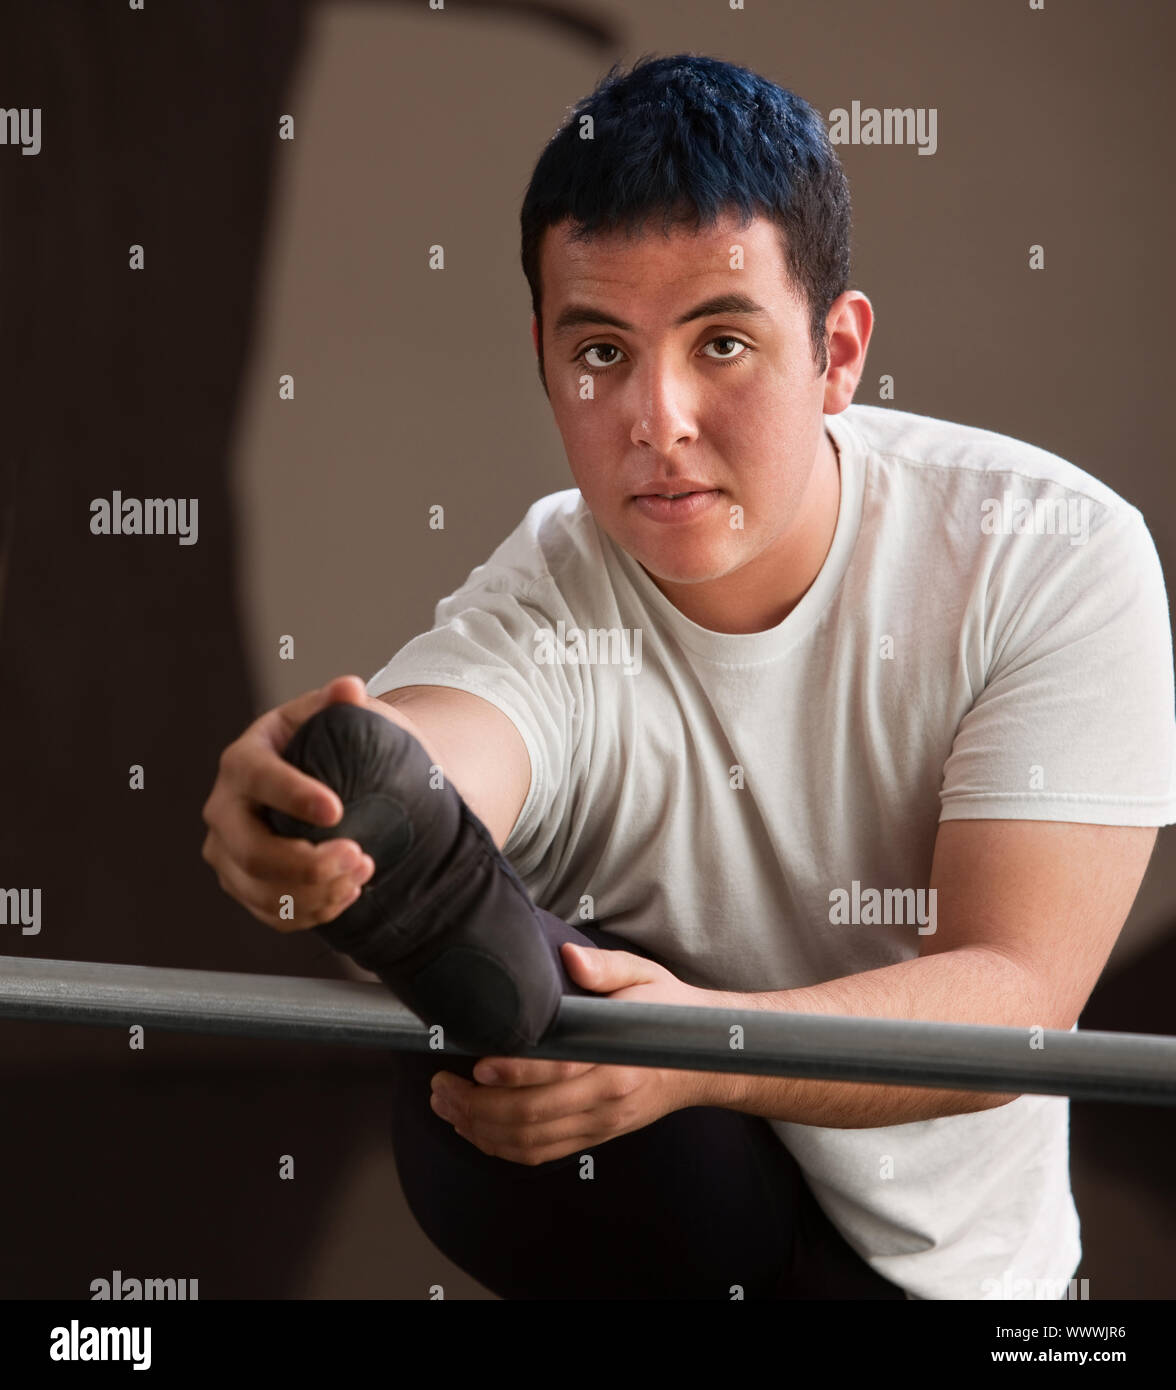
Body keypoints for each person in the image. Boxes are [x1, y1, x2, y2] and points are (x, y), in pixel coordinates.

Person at [200, 54, 1176, 1300]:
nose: (656, 417)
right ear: (545, 358)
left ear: (837, 352)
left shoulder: (1050, 551)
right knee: (505, 1022)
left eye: (721, 341)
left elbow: (1019, 998)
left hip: (954, 1281)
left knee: (586, 1016)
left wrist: (695, 1048)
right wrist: (316, 805)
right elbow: (447, 747)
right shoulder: (554, 587)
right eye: (600, 350)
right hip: (683, 1219)